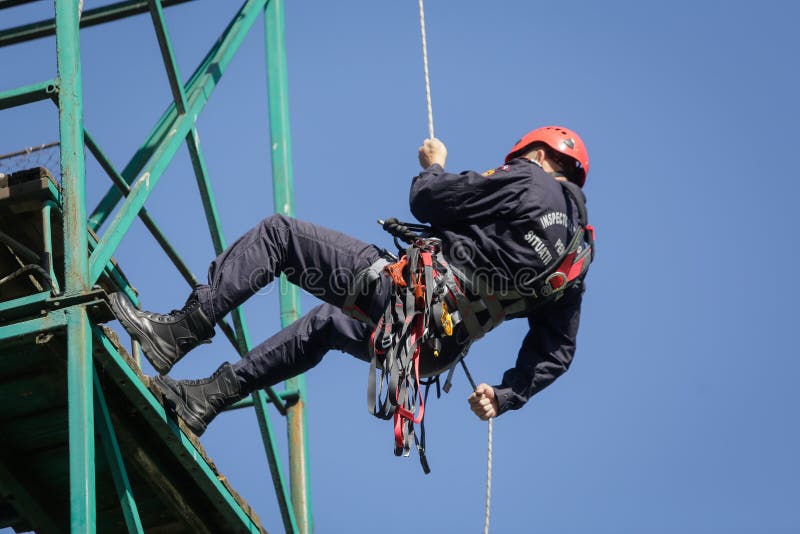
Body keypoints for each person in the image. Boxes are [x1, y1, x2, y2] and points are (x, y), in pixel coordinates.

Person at [109, 125, 592, 437]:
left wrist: (433, 165)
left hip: (404, 300)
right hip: (433, 351)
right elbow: (557, 351)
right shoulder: (577, 259)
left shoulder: (529, 181)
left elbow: (429, 200)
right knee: (327, 323)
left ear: (537, 154)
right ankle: (205, 399)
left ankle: (181, 329)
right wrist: (506, 395)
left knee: (281, 237)